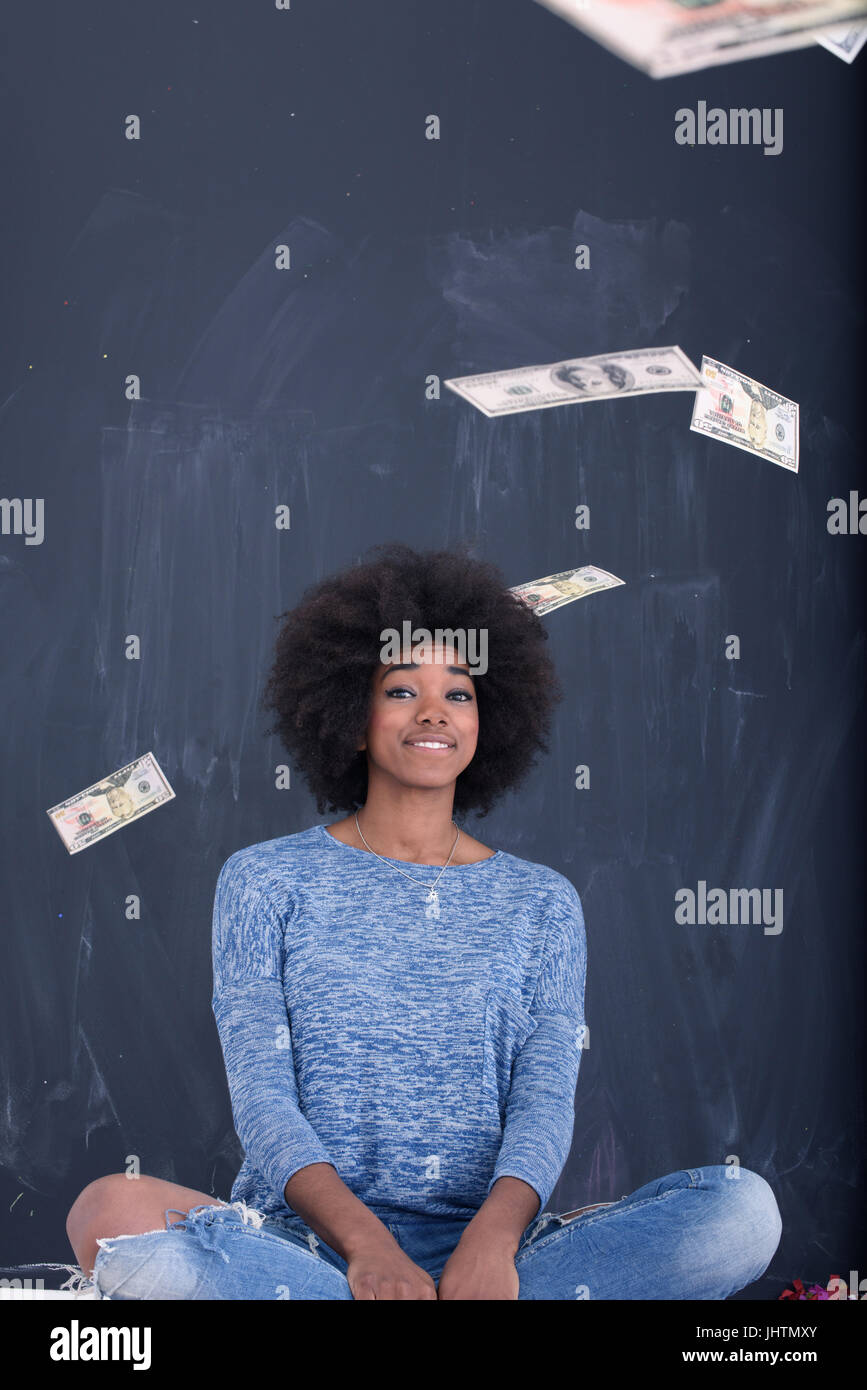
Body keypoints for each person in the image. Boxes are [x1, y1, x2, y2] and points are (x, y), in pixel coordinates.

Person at [65, 542, 782, 1299]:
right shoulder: (264, 880)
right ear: (349, 716)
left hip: (495, 1255)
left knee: (741, 1213)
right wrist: (369, 1252)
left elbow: (542, 1105)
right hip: (307, 1252)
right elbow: (264, 1103)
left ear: (491, 718)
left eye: (460, 694)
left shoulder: (542, 902)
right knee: (109, 1207)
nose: (435, 711)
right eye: (402, 690)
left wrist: (490, 1248)